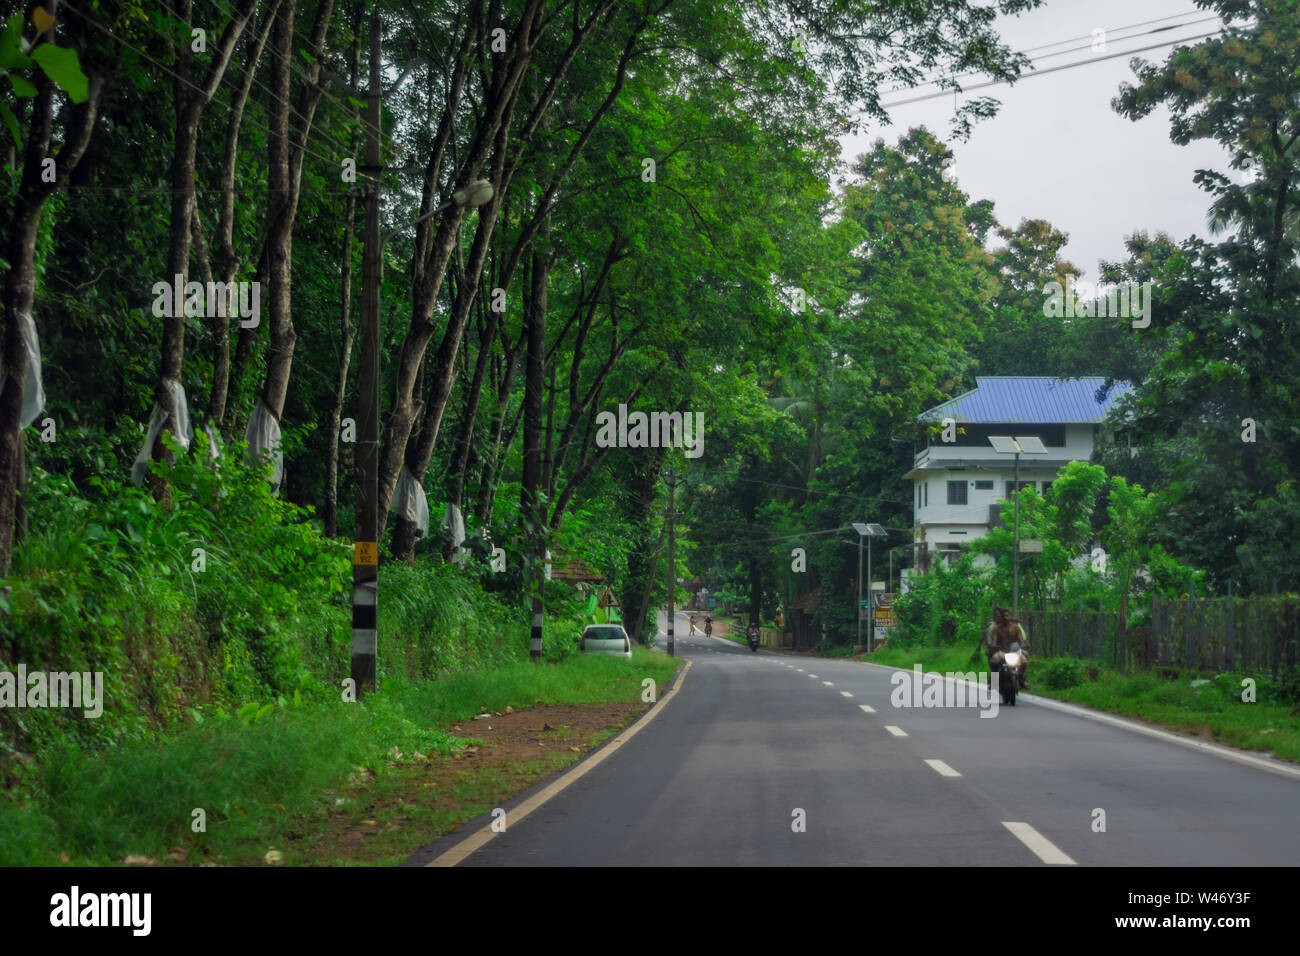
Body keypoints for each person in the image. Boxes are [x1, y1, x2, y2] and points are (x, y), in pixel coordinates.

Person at [984, 606, 1030, 688]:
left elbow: (1021, 640)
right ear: (1001, 618)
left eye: (1007, 616)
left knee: (1024, 661)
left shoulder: (1016, 628)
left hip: (1014, 651)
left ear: (1010, 617)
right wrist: (994, 647)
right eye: (1004, 616)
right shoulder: (997, 628)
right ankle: (994, 680)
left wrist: (1024, 647)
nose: (1006, 618)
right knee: (994, 660)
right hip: (1001, 651)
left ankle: (1020, 678)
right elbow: (994, 640)